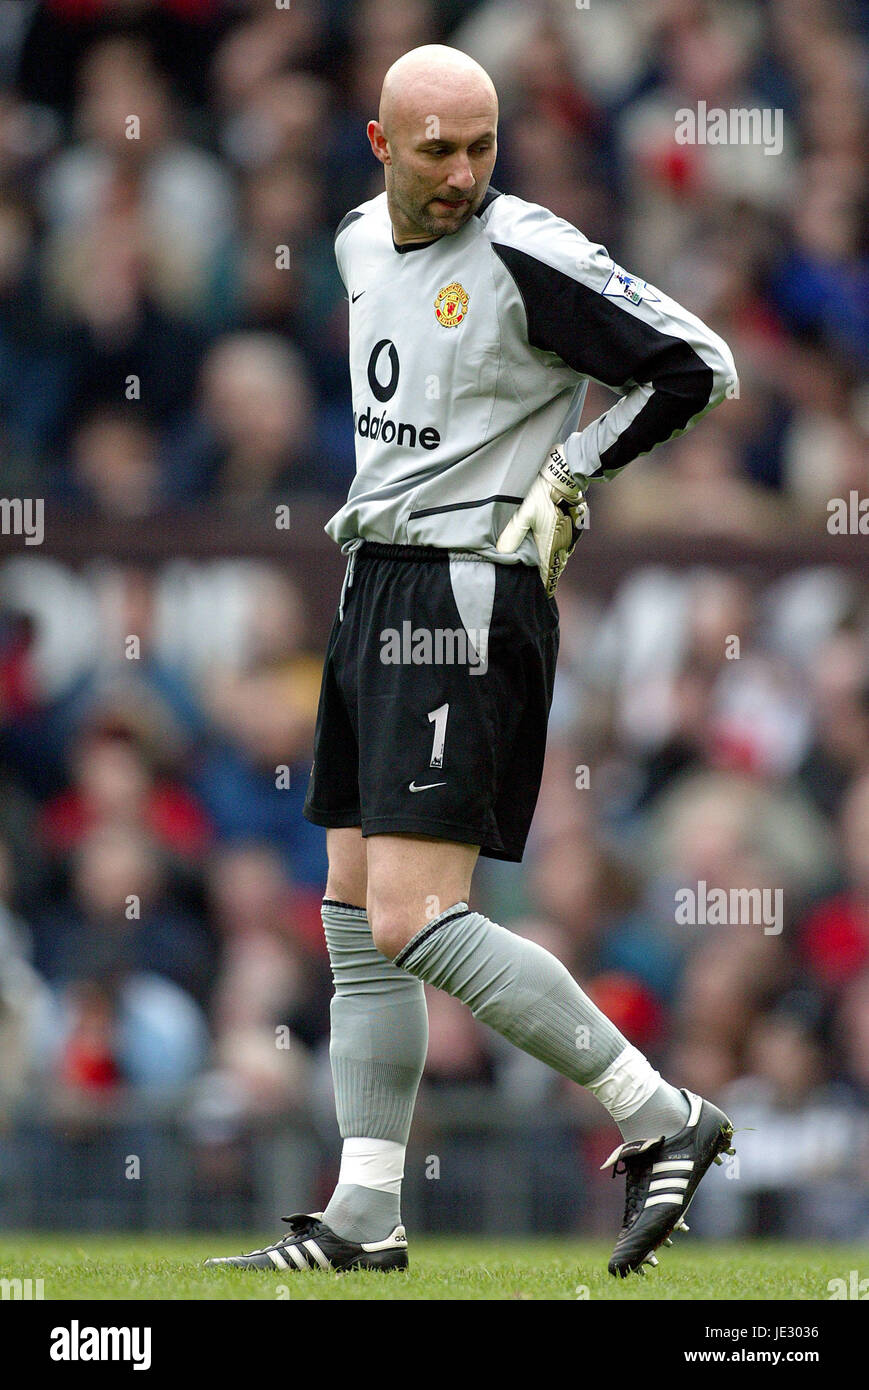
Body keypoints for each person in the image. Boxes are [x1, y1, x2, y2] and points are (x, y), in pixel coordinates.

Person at [207, 44, 737, 1280]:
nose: (460, 173)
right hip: (372, 578)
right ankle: (365, 1214)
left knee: (414, 918)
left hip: (464, 593)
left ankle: (662, 1115)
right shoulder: (350, 242)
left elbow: (695, 364)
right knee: (350, 909)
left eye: (480, 145)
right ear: (382, 144)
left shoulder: (525, 250)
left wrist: (569, 470)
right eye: (434, 148)